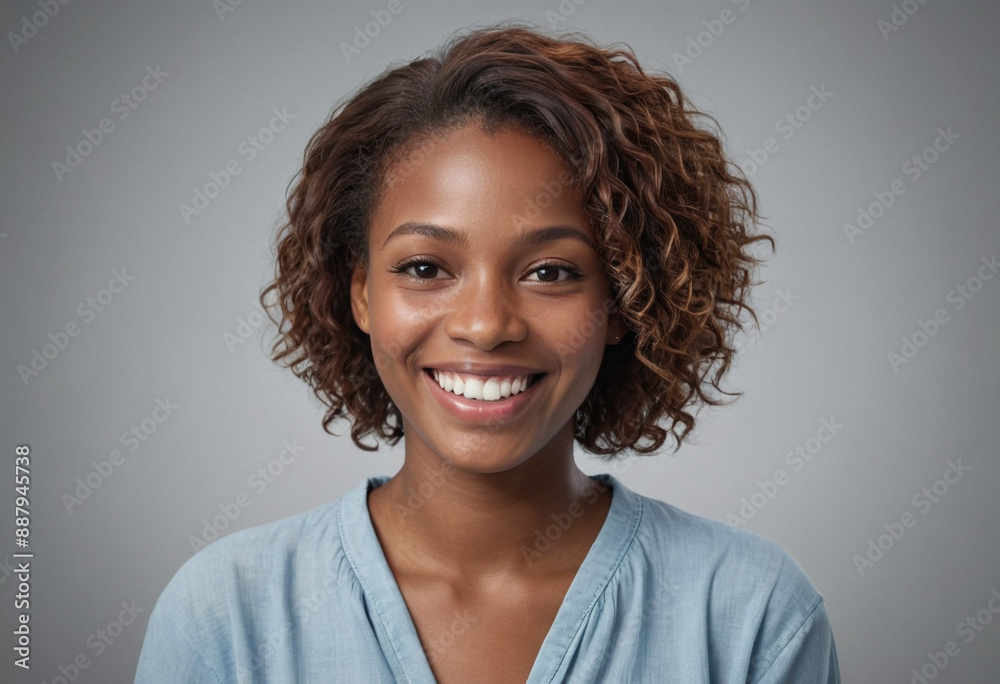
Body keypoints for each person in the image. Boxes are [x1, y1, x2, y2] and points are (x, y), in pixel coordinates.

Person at [135, 22, 840, 683]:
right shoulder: (225, 615)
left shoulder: (750, 616)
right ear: (360, 294)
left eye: (551, 272)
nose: (484, 324)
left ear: (625, 301)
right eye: (424, 268)